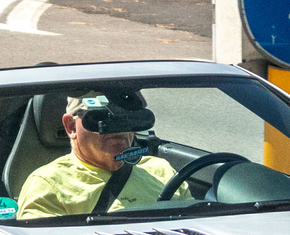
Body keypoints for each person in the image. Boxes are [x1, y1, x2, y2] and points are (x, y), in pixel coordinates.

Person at [15, 91, 178, 220]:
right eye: (101, 117)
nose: (117, 127)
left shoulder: (162, 170)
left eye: (126, 115)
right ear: (71, 126)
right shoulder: (48, 184)